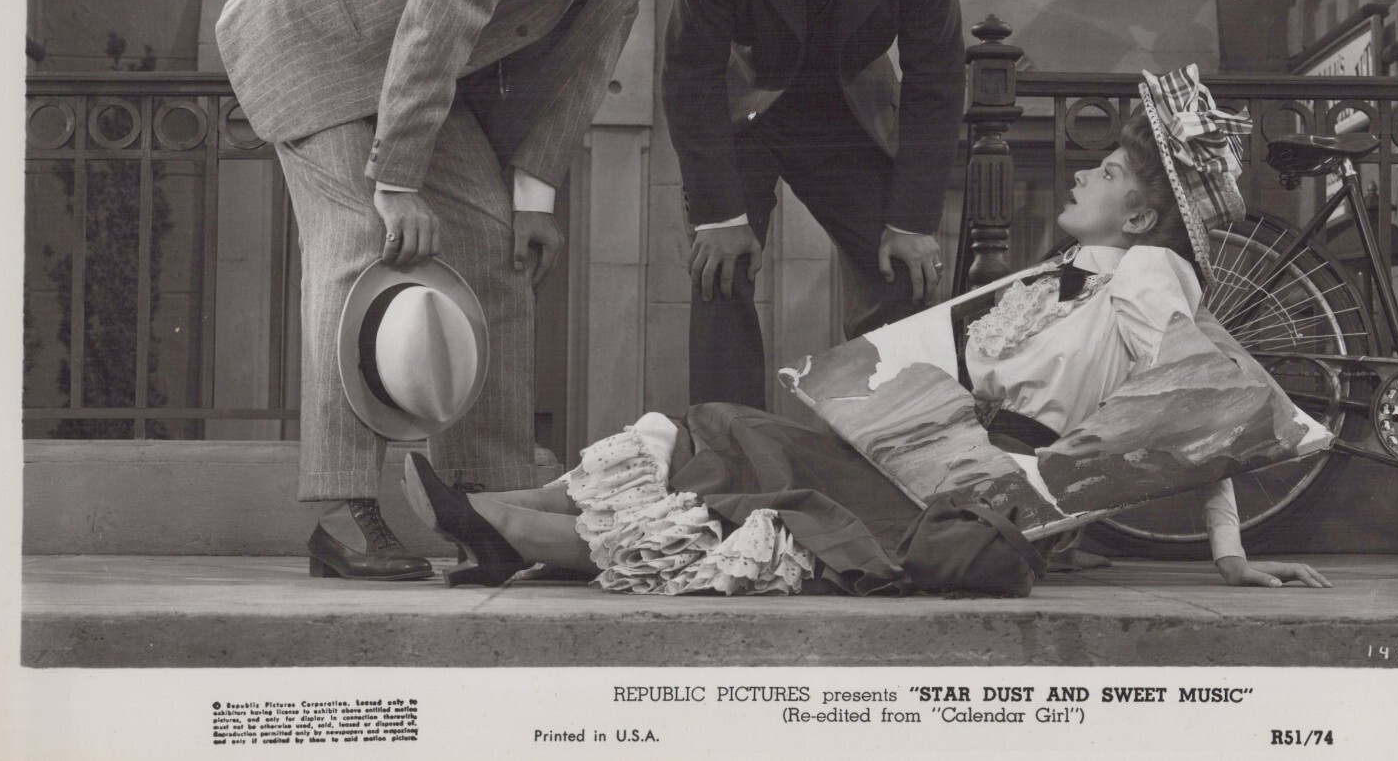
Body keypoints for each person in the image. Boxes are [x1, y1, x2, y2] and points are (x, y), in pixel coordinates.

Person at [400, 66, 1331, 594]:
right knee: (725, 432)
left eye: (1110, 174)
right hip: (947, 465)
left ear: (1138, 219)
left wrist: (1229, 555)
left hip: (983, 502)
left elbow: (1198, 398)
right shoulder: (1072, 282)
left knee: (757, 468)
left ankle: (503, 527)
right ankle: (499, 517)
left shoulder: (1149, 270)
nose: (1084, 177)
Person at [215, 0, 765, 581]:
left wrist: (534, 192)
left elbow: (587, 52)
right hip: (319, 32)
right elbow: (445, 8)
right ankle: (346, 511)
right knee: (364, 242)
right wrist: (396, 177)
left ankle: (488, 502)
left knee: (498, 252)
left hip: (416, 69)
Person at [661, 0, 967, 408]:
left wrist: (912, 222)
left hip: (847, 116)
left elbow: (937, 82)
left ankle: (886, 442)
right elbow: (689, 72)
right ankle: (733, 460)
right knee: (720, 272)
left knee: (904, 275)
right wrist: (719, 218)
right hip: (745, 110)